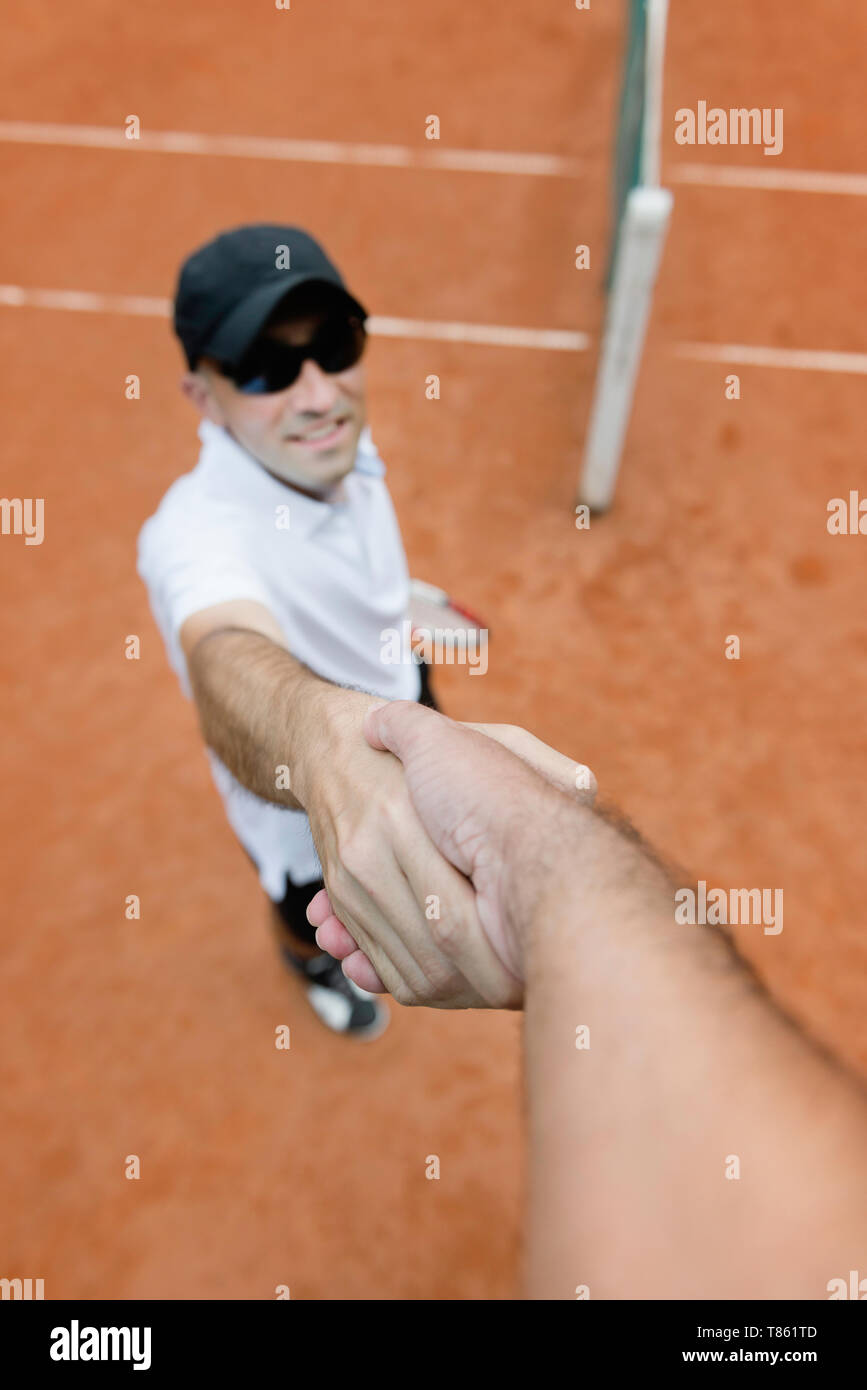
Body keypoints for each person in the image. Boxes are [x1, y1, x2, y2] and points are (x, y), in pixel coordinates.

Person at [308, 700, 867, 1300]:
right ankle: (309, 959)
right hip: (371, 770)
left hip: (390, 736)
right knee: (311, 900)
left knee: (343, 889)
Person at [138, 223, 484, 1038]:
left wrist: (395, 608)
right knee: (311, 912)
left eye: (334, 344)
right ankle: (308, 961)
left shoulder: (329, 443)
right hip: (304, 800)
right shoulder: (192, 538)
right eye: (266, 367)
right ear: (202, 396)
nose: (319, 392)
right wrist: (332, 762)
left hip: (400, 687)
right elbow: (223, 653)